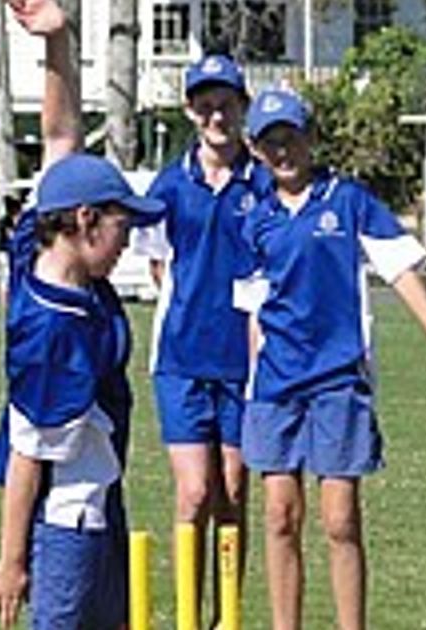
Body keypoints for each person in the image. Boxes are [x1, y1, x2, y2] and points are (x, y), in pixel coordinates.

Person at [235, 88, 426, 630]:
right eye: (270, 141)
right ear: (255, 148)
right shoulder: (255, 219)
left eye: (291, 136)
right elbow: (252, 308)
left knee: (339, 519)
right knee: (278, 515)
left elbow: (401, 270)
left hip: (338, 380)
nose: (283, 150)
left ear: (310, 136)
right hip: (275, 385)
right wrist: (253, 386)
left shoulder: (348, 201)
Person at [0, 2, 163, 628]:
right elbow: (28, 453)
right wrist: (13, 560)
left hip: (99, 501)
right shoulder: (54, 330)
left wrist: (57, 43)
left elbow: (61, 137)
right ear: (86, 221)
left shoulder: (38, 241)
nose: (129, 245)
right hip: (68, 519)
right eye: (123, 228)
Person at [142, 53, 272, 622]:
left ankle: (228, 615)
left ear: (242, 108)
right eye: (205, 104)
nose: (216, 115)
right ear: (191, 111)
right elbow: (155, 265)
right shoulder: (171, 183)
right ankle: (189, 614)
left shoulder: (265, 181)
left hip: (244, 364)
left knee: (234, 494)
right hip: (181, 359)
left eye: (226, 104)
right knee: (194, 493)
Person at [0, 195, 23, 307]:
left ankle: (14, 300)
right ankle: (4, 302)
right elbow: (10, 237)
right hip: (5, 252)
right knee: (6, 276)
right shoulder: (5, 222)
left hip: (15, 252)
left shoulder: (21, 221)